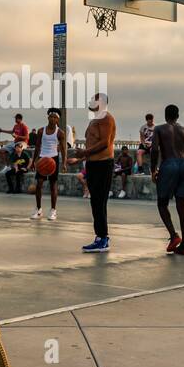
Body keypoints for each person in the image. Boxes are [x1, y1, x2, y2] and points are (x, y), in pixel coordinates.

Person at [68, 92, 115, 252]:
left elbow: (104, 143)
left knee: (99, 202)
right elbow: (93, 146)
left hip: (103, 165)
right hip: (93, 165)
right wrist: (80, 159)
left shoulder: (106, 119)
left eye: (93, 99)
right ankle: (101, 236)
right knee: (95, 202)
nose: (90, 101)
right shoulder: (95, 120)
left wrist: (84, 154)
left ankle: (102, 238)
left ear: (100, 102)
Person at [150, 104, 184, 255]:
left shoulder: (159, 129)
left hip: (168, 165)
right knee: (182, 206)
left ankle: (174, 236)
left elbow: (154, 149)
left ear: (165, 115)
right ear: (178, 115)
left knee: (162, 203)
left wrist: (153, 170)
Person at [29, 107, 67, 221]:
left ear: (58, 120)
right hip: (42, 158)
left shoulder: (60, 133)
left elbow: (63, 149)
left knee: (53, 185)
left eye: (55, 117)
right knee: (39, 184)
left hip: (53, 159)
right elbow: (37, 147)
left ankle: (53, 210)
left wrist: (64, 163)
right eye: (51, 117)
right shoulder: (41, 131)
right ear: (48, 117)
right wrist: (33, 161)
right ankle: (39, 209)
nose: (52, 119)